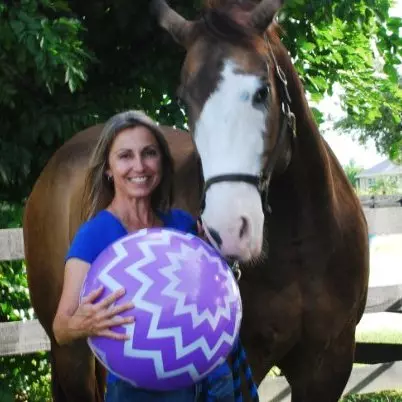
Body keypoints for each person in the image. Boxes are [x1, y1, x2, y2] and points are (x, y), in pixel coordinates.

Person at [52, 110, 234, 402]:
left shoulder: (184, 225)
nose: (139, 165)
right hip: (142, 393)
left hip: (214, 385)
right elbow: (61, 327)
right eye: (125, 156)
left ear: (161, 161)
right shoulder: (95, 235)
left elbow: (215, 297)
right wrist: (83, 323)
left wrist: (212, 262)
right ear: (108, 168)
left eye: (149, 153)